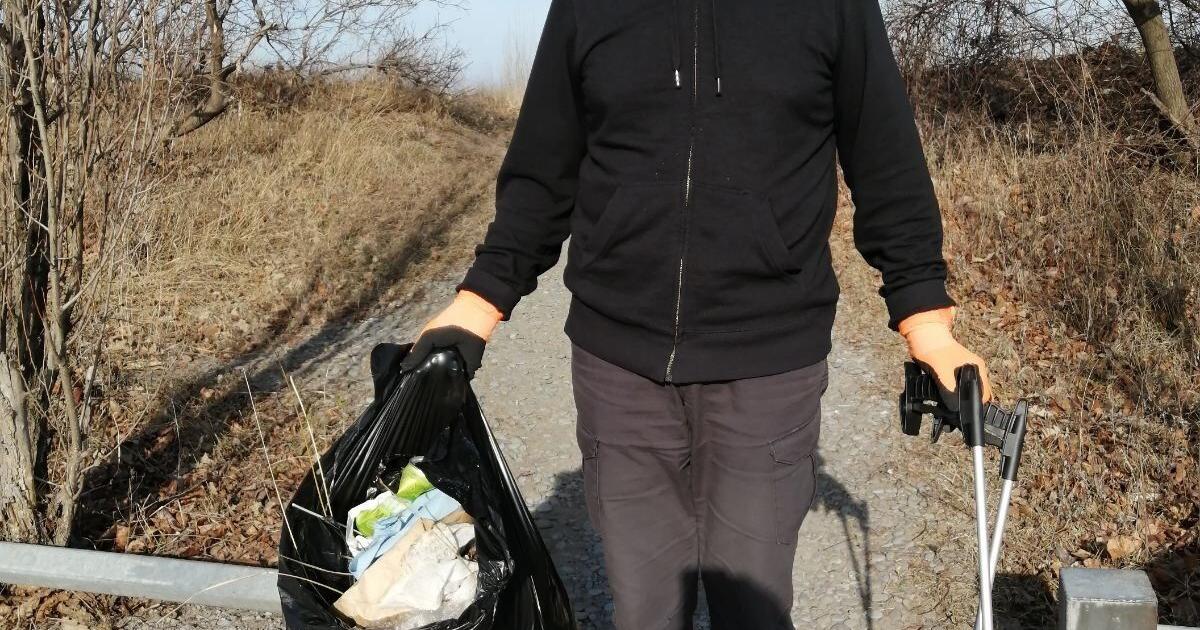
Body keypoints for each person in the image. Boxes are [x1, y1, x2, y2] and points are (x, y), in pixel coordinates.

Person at [403, 0, 991, 627]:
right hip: (617, 366)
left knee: (753, 610)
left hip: (768, 364)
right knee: (645, 612)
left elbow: (885, 159)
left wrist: (926, 324)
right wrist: (480, 302)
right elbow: (543, 167)